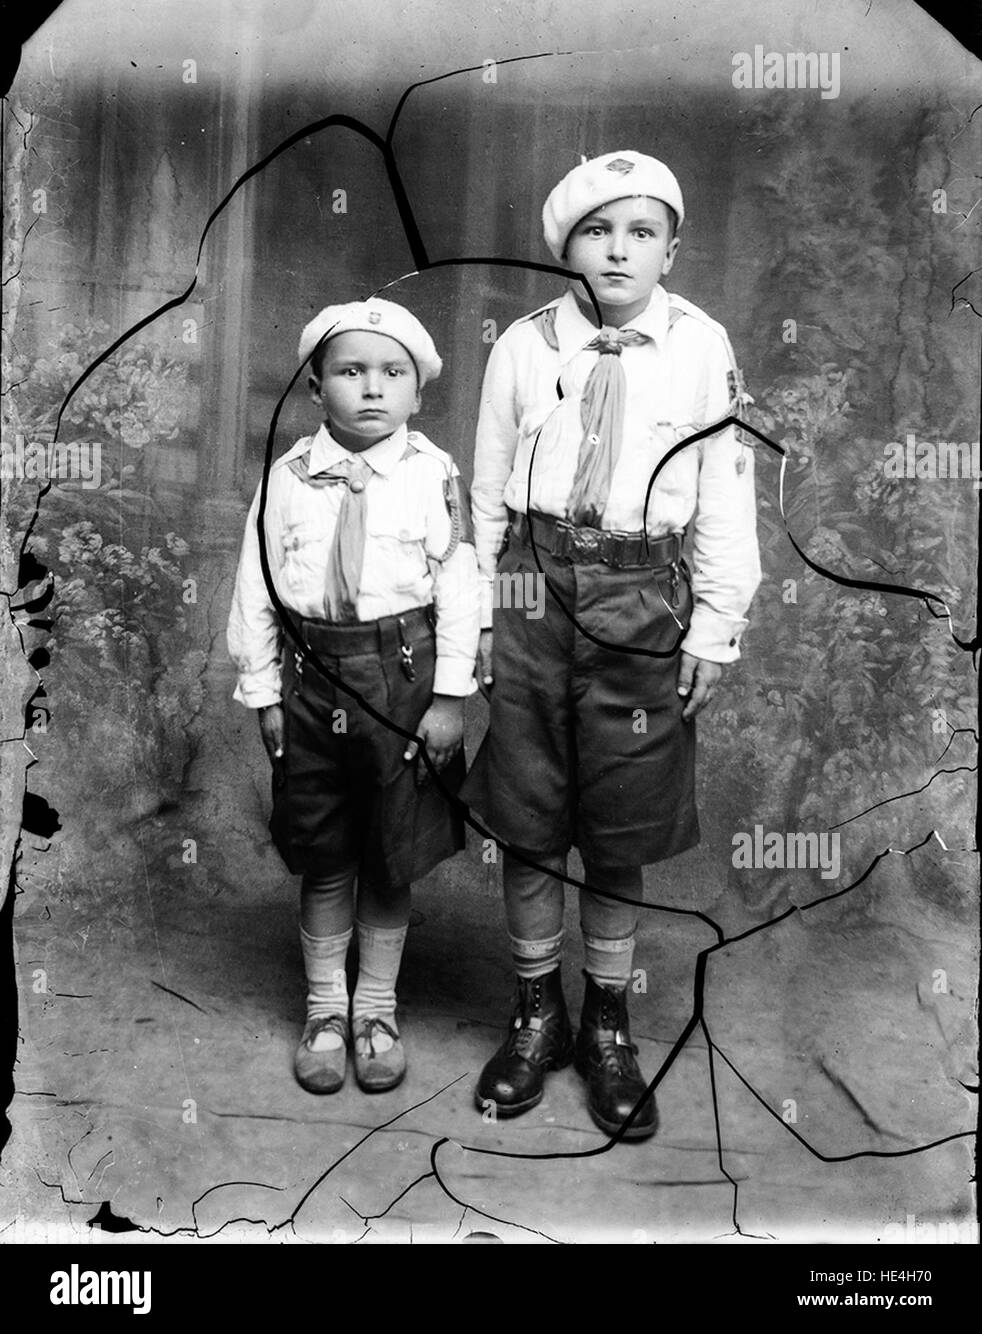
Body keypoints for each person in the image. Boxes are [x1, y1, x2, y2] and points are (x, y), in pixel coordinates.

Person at [466, 151, 761, 1139]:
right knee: (529, 807)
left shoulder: (699, 345)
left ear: (672, 247)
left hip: (643, 590)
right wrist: (475, 623)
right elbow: (484, 494)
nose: (620, 248)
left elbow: (723, 488)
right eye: (599, 231)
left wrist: (714, 626)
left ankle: (605, 1026)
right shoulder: (523, 345)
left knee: (621, 816)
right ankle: (536, 1012)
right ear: (567, 250)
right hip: (532, 581)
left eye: (641, 231)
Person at [227, 298, 480, 1095]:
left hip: (401, 683)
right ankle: (325, 1010)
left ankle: (377, 1010)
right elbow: (256, 593)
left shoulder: (433, 475)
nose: (372, 388)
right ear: (313, 388)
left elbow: (462, 591)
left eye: (392, 373)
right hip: (311, 682)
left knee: (391, 853)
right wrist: (265, 692)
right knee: (326, 851)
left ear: (418, 393)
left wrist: (449, 698)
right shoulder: (285, 480)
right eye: (350, 371)